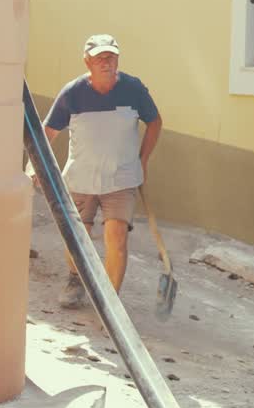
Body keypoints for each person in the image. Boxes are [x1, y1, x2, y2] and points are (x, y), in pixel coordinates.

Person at [32, 33, 163, 309]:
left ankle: (110, 303)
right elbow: (47, 131)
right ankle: (75, 277)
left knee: (116, 238)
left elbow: (154, 121)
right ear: (87, 62)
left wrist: (143, 160)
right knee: (77, 237)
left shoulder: (133, 89)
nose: (107, 63)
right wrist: (34, 166)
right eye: (100, 58)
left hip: (121, 178)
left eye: (111, 57)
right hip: (81, 177)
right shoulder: (73, 92)